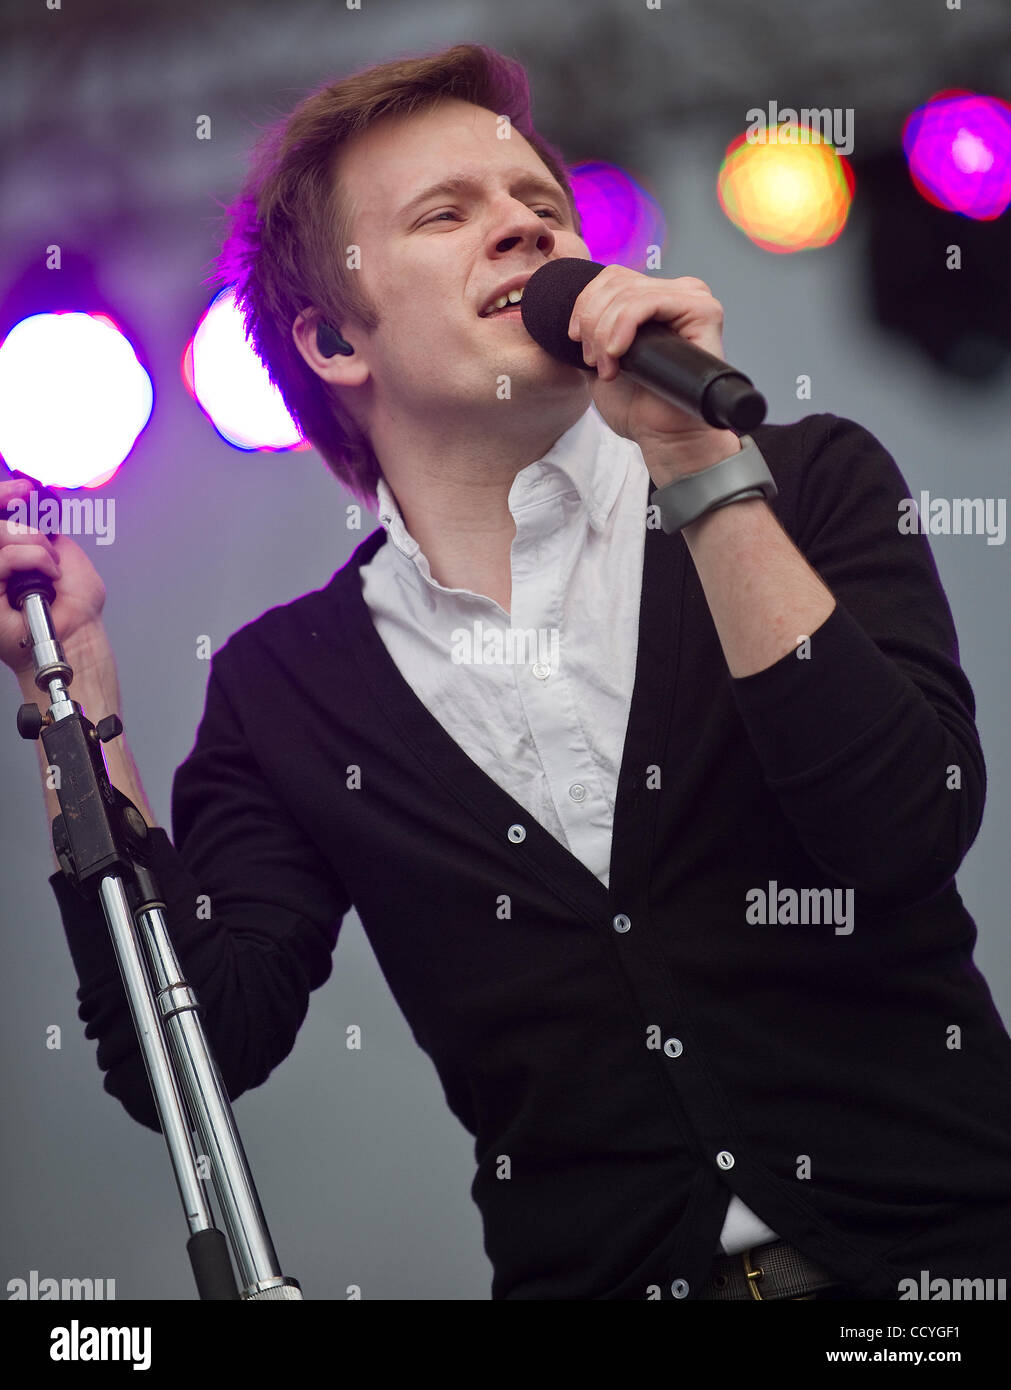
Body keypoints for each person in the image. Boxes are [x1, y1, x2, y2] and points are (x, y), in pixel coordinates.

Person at [3, 42, 1010, 1302]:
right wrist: (69, 686)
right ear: (329, 341)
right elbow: (189, 1053)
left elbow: (905, 828)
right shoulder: (287, 691)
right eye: (448, 213)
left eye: (541, 204)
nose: (523, 228)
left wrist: (706, 474)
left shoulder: (805, 481)